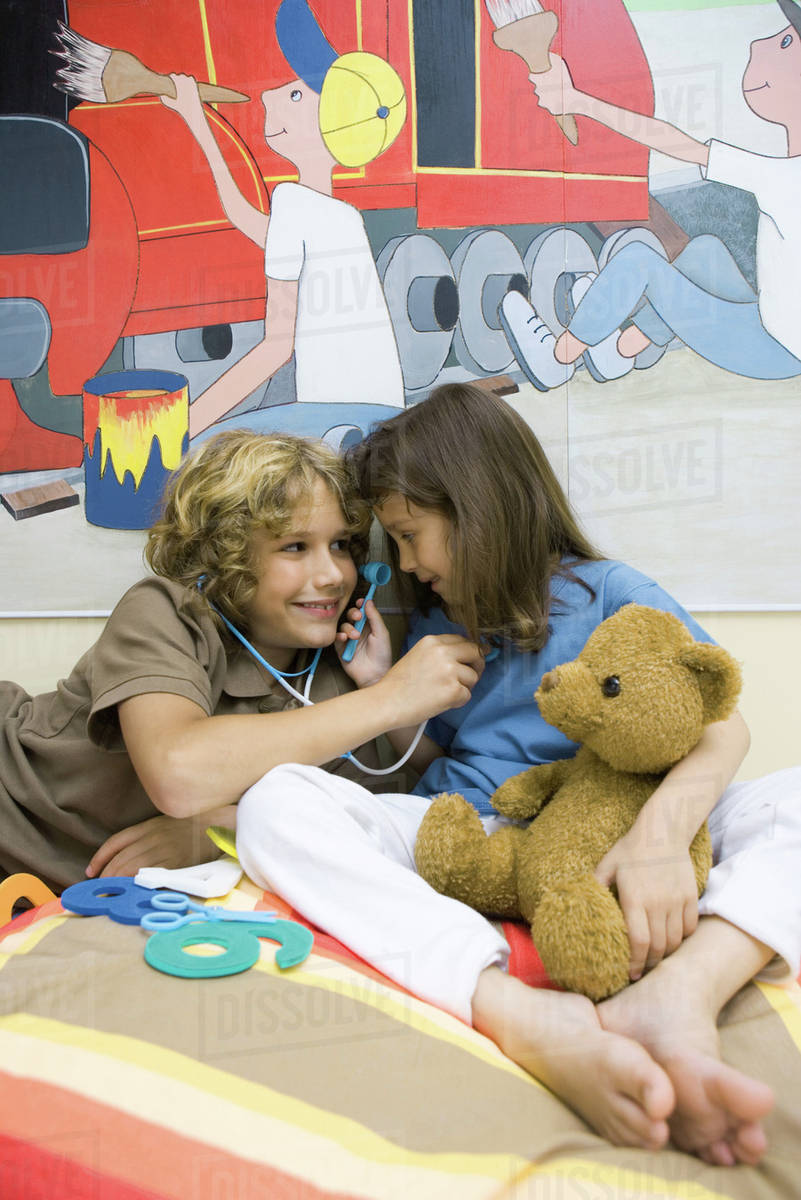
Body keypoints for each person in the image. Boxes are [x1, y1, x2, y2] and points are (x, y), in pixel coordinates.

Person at [234, 383, 800, 1165]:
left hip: (608, 831)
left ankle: (683, 992)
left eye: (410, 536)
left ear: (477, 506)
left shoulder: (608, 594)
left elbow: (720, 724)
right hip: (480, 833)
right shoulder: (435, 625)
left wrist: (658, 840)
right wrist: (385, 689)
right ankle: (511, 1010)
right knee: (275, 802)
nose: (406, 562)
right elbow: (438, 762)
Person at [0, 429, 481, 889]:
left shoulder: (331, 674)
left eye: (339, 545)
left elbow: (357, 824)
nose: (333, 574)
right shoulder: (165, 612)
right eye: (295, 546)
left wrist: (217, 828)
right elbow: (178, 773)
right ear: (226, 556)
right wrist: (391, 698)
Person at [499, 0, 801, 389]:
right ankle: (620, 350)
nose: (759, 44)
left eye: (786, 43)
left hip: (771, 346)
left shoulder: (786, 177)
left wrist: (578, 101)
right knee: (705, 253)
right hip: (775, 330)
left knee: (639, 261)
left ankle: (557, 358)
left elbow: (678, 144)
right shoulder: (787, 172)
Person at [160, 0, 405, 438]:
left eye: (295, 94)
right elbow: (245, 218)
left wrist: (186, 425)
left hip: (331, 424)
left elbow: (276, 347)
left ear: (330, 123)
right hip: (380, 418)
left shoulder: (294, 204)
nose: (267, 96)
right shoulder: (342, 217)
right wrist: (198, 121)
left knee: (217, 448)